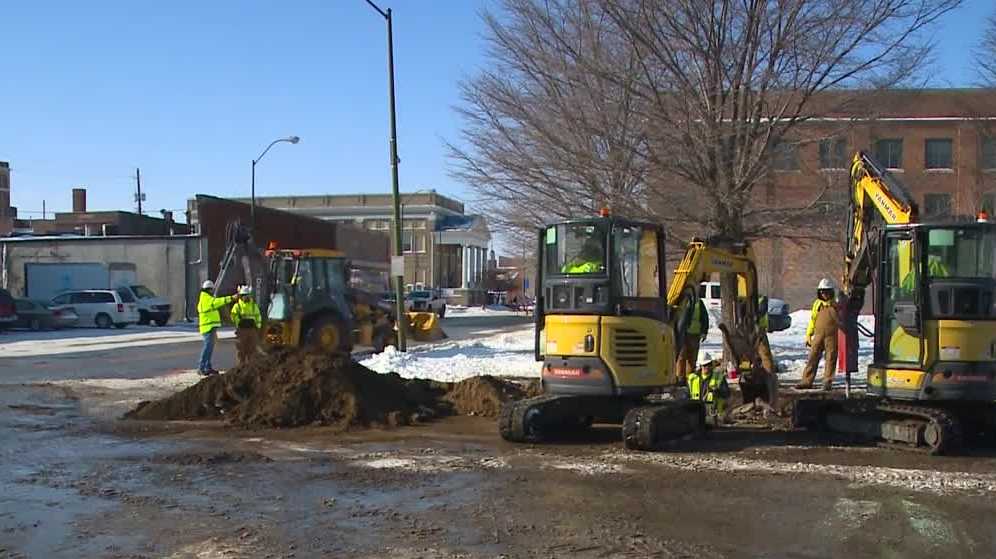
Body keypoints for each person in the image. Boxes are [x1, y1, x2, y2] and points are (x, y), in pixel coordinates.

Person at [797, 278, 840, 391]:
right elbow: (812, 320)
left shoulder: (836, 305)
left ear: (831, 292)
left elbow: (841, 321)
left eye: (826, 291)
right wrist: (808, 335)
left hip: (832, 336)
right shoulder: (817, 304)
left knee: (830, 358)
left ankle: (827, 381)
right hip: (818, 335)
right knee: (813, 357)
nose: (823, 294)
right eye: (821, 291)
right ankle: (806, 381)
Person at [197, 280, 236, 376]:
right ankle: (201, 367)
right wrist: (231, 298)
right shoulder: (206, 298)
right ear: (209, 289)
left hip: (210, 327)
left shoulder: (207, 298)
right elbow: (217, 302)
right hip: (208, 327)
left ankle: (207, 367)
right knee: (207, 348)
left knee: (209, 348)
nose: (213, 291)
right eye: (212, 289)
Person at [686, 352, 730, 424]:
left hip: (713, 415)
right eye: (705, 365)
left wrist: (717, 391)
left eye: (709, 365)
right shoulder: (692, 378)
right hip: (696, 414)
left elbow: (727, 393)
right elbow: (687, 396)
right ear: (701, 366)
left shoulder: (719, 377)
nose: (707, 367)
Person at [676, 297, 709, 383]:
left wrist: (704, 332)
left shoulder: (699, 303)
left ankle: (689, 378)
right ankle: (681, 378)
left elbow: (704, 317)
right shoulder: (682, 301)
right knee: (682, 357)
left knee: (691, 358)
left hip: (694, 334)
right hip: (683, 334)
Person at [230, 285, 262, 366]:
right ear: (241, 296)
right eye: (244, 295)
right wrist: (238, 322)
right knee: (241, 349)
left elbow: (258, 316)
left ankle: (251, 366)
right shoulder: (237, 306)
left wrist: (258, 326)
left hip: (252, 330)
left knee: (252, 348)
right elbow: (233, 316)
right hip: (242, 330)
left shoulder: (253, 306)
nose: (245, 297)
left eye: (247, 295)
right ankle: (241, 366)